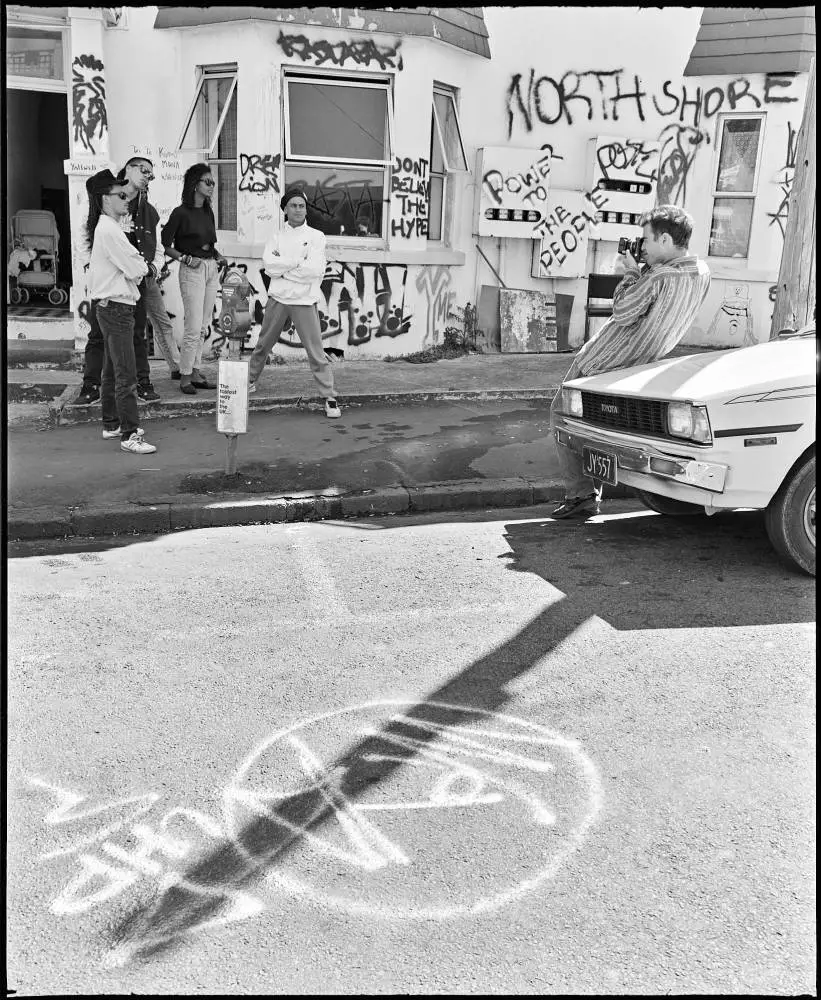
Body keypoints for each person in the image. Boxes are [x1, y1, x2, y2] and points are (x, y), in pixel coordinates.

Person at [550, 204, 711, 519]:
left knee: (561, 417)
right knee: (598, 429)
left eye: (648, 240)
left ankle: (581, 495)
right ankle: (588, 492)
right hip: (640, 365)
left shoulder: (659, 276)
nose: (644, 247)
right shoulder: (700, 272)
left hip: (601, 359)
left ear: (665, 239)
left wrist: (631, 273)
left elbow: (622, 312)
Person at [75, 156, 167, 405]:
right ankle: (91, 385)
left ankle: (142, 382)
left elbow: (157, 249)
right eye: (144, 170)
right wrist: (91, 267)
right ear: (128, 168)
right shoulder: (104, 203)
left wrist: (153, 270)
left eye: (151, 173)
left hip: (136, 281)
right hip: (109, 283)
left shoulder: (149, 210)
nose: (148, 176)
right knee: (97, 335)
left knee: (138, 333)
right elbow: (83, 236)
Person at [247, 187, 341, 418]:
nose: (298, 209)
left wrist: (284, 269)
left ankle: (329, 396)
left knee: (316, 351)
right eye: (293, 205)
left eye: (301, 205)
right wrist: (297, 263)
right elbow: (270, 267)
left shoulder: (317, 236)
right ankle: (248, 381)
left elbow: (314, 270)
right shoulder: (276, 237)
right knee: (263, 345)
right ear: (285, 209)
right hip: (278, 298)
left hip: (304, 300)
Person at [84, 168, 157, 455]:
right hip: (116, 308)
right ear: (105, 198)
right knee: (126, 373)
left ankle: (112, 423)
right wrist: (143, 266)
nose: (126, 198)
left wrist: (137, 266)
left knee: (113, 370)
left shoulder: (108, 227)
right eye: (120, 194)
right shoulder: (110, 230)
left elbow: (133, 266)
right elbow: (137, 268)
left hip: (112, 307)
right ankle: (129, 434)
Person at [161, 163, 227, 395]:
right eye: (207, 182)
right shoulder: (181, 213)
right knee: (192, 325)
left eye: (213, 183)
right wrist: (186, 260)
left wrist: (218, 257)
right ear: (194, 184)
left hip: (210, 267)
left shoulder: (207, 211)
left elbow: (211, 243)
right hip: (192, 270)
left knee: (203, 324)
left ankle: (196, 370)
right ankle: (185, 375)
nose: (212, 186)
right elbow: (165, 245)